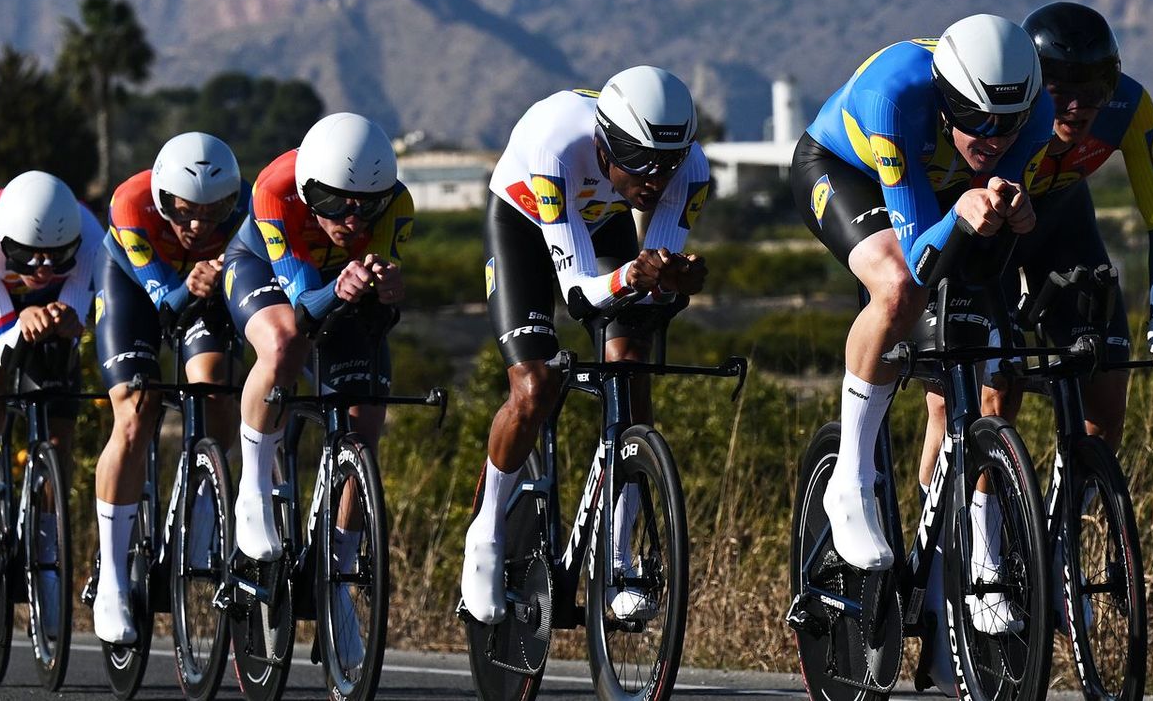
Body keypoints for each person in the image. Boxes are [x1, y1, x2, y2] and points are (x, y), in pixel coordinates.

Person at [789, 14, 1052, 632]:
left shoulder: (1036, 118)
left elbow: (985, 245)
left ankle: (942, 594)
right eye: (975, 119)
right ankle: (849, 479)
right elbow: (916, 256)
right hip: (844, 171)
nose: (991, 137)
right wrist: (967, 207)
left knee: (979, 377)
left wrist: (1014, 213)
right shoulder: (897, 95)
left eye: (1005, 125)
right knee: (898, 289)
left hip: (937, 191)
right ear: (947, 99)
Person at [459, 67, 714, 625]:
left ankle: (619, 559)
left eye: (667, 164)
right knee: (535, 384)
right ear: (605, 146)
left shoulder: (688, 170)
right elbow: (580, 295)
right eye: (642, 162)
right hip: (525, 223)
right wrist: (635, 278)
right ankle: (487, 531)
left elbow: (650, 290)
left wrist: (673, 281)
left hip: (603, 224)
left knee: (630, 365)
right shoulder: (557, 143)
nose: (656, 179)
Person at [221, 112, 413, 663]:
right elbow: (305, 306)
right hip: (263, 271)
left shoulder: (399, 206)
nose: (351, 221)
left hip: (340, 287)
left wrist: (391, 289)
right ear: (309, 192)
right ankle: (253, 494)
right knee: (283, 345)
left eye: (366, 207)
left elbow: (381, 309)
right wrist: (348, 284)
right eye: (332, 205)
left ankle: (339, 588)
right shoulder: (275, 190)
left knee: (365, 422)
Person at [86, 132, 250, 646]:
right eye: (183, 213)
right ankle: (111, 577)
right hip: (136, 288)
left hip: (205, 290)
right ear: (161, 201)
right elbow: (164, 299)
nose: (199, 225)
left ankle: (201, 504)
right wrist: (194, 283)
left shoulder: (247, 210)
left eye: (214, 212)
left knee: (215, 388)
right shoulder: (130, 204)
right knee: (135, 411)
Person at [1009, 1, 1153, 443]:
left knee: (1107, 395)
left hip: (1065, 223)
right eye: (1059, 93)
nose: (1076, 107)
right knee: (996, 395)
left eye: (1092, 92)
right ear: (1034, 87)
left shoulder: (1129, 106)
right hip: (994, 235)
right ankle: (980, 512)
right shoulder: (1011, 109)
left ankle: (1072, 501)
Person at [0, 171, 106, 557]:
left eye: (58, 256)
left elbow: (74, 324)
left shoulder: (91, 237)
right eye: (30, 256)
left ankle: (47, 539)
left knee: (59, 420)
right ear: (6, 242)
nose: (43, 269)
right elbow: (3, 345)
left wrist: (69, 321)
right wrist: (20, 322)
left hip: (52, 302)